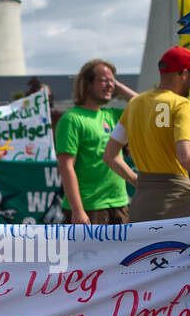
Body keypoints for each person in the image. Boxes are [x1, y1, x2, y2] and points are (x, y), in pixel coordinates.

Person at [103, 46, 190, 222]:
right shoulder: (181, 105)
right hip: (173, 205)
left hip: (140, 204)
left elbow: (110, 155)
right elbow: (185, 155)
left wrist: (136, 180)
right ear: (184, 73)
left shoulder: (134, 104)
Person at [56, 58, 136, 225]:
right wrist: (78, 211)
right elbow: (66, 166)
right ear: (87, 84)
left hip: (119, 204)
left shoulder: (113, 115)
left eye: (112, 81)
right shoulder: (71, 119)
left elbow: (146, 106)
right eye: (104, 80)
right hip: (89, 208)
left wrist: (118, 86)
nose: (110, 86)